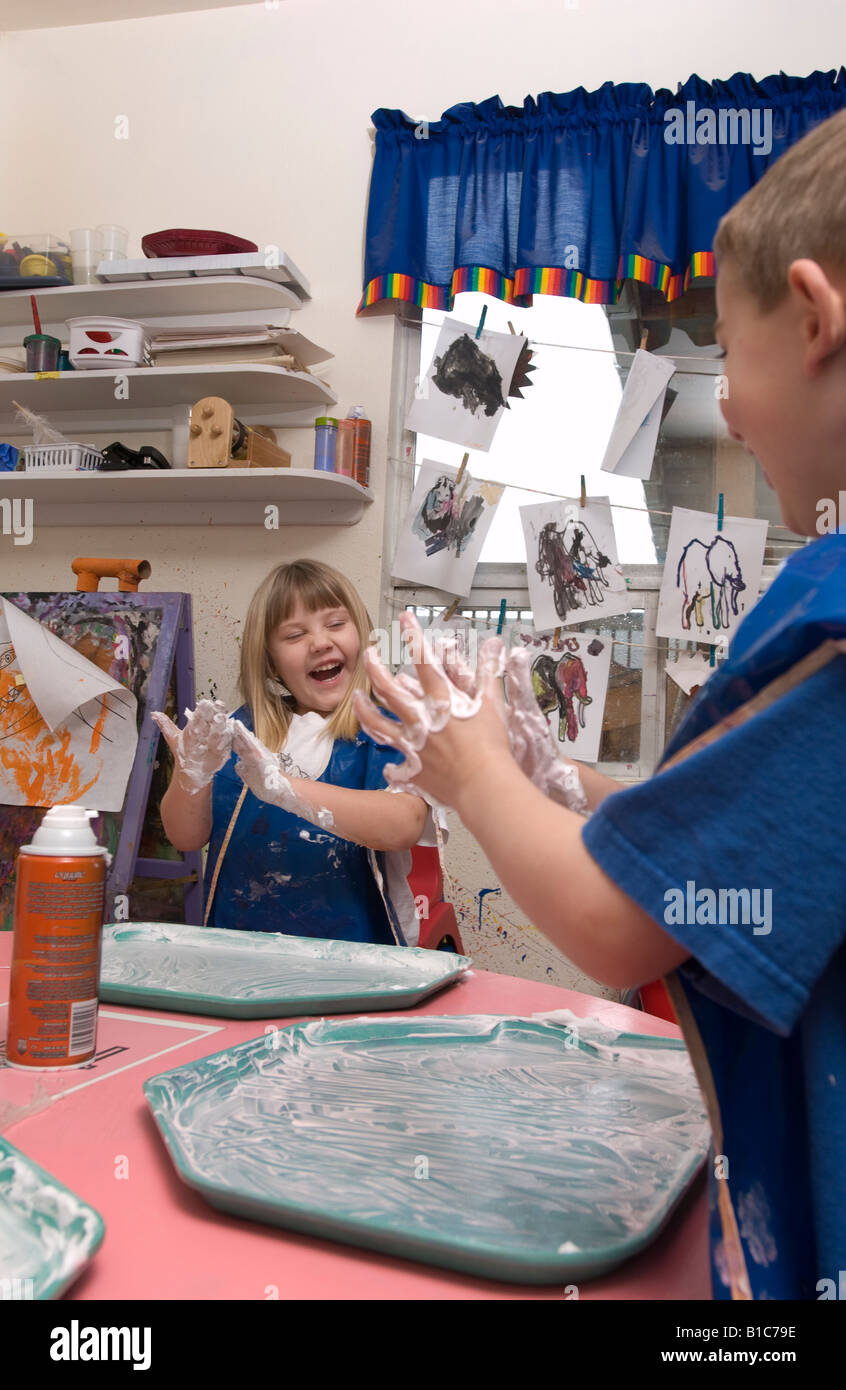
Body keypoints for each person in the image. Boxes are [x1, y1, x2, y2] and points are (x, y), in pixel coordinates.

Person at [354, 109, 846, 1300]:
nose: (730, 411)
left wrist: (475, 772)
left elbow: (623, 921)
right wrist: (560, 779)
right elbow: (725, 842)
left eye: (729, 353)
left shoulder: (830, 616)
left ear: (816, 317)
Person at [155, 559, 435, 946]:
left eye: (336, 624)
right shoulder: (242, 731)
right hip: (240, 952)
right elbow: (185, 836)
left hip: (361, 959)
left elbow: (402, 825)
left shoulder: (393, 728)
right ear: (270, 662)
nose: (320, 643)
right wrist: (191, 774)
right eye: (294, 634)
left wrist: (283, 788)